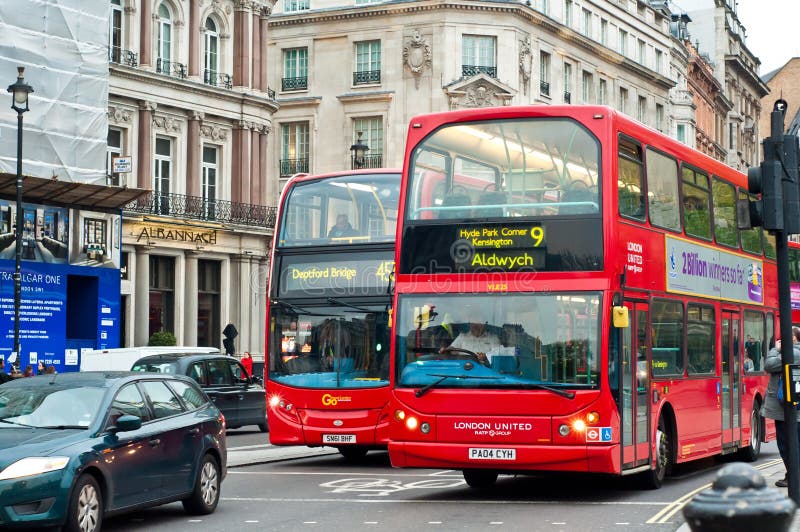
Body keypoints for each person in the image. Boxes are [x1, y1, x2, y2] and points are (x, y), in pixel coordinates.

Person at [763, 326, 800, 488]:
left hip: (788, 409)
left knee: (787, 444)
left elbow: (769, 365)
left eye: (784, 336)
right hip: (787, 408)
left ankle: (794, 477)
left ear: (793, 338)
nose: (780, 340)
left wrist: (774, 349)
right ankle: (792, 475)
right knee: (790, 444)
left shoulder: (795, 353)